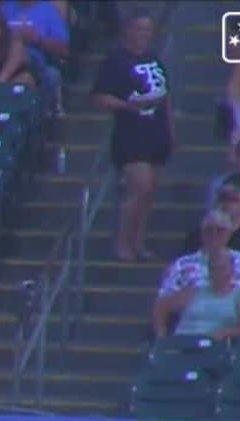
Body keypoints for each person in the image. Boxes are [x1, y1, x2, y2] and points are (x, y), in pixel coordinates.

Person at [92, 7, 171, 261]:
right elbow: (100, 96)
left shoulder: (154, 59)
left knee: (150, 192)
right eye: (138, 29)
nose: (143, 34)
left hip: (156, 130)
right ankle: (122, 242)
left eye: (147, 30)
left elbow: (166, 96)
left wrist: (170, 129)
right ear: (127, 30)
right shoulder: (115, 61)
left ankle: (138, 241)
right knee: (139, 187)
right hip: (130, 132)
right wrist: (127, 106)